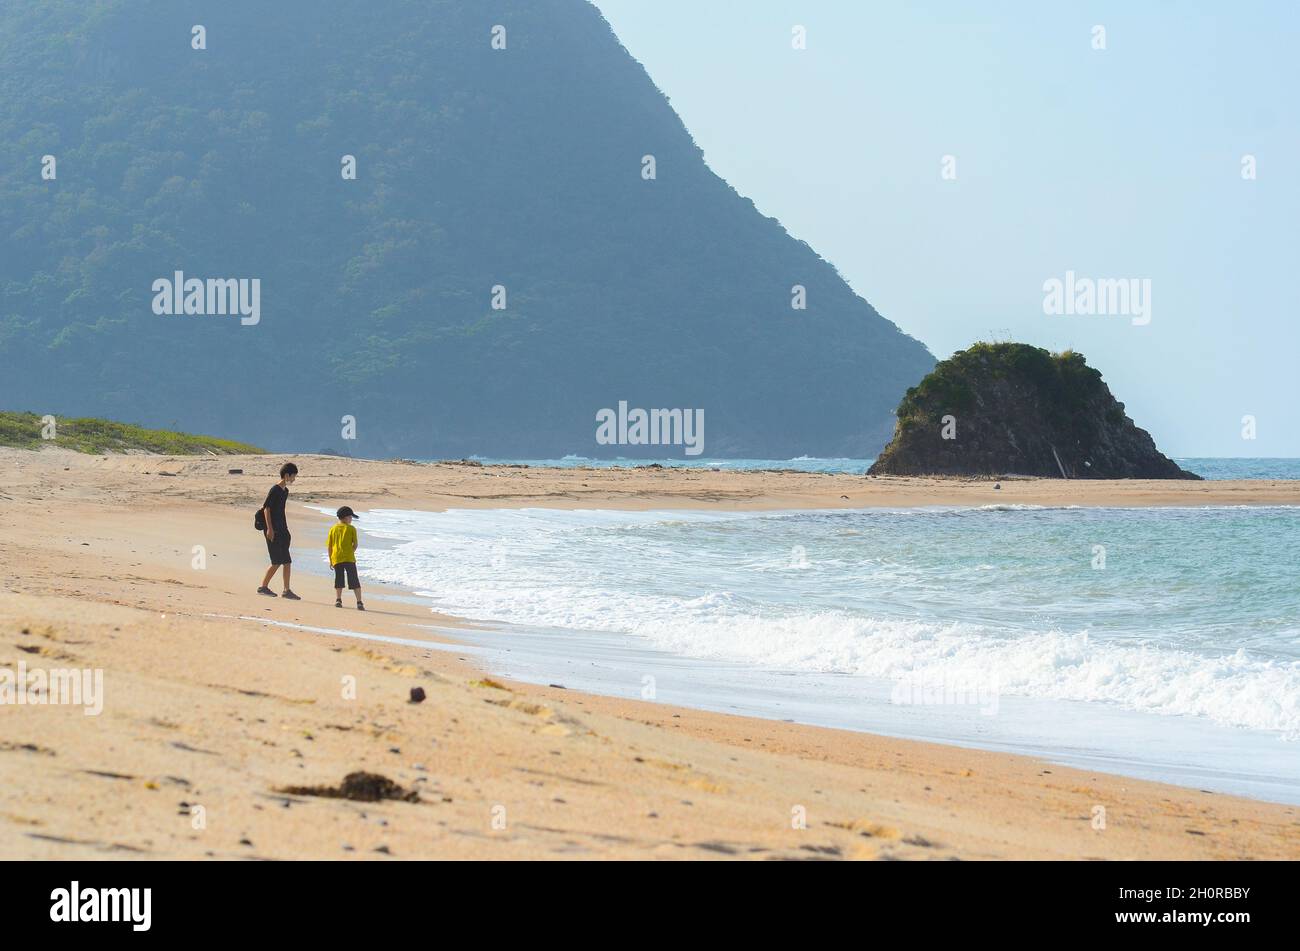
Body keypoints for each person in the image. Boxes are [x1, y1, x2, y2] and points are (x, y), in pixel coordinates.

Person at [257, 462, 300, 599]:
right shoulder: (275, 489)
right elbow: (266, 509)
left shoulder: (285, 491)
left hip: (282, 530)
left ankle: (286, 590)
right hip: (272, 530)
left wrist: (286, 531)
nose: (294, 479)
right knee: (276, 561)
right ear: (287, 475)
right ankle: (263, 587)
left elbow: (280, 512)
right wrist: (269, 529)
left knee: (287, 561)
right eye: (293, 476)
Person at [327, 506, 364, 610]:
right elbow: (355, 544)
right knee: (354, 580)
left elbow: (329, 546)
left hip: (336, 558)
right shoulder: (351, 529)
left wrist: (331, 560)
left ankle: (338, 599)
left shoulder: (333, 529)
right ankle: (359, 602)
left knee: (339, 579)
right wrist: (350, 552)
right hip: (349, 558)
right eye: (351, 517)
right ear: (346, 517)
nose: (351, 519)